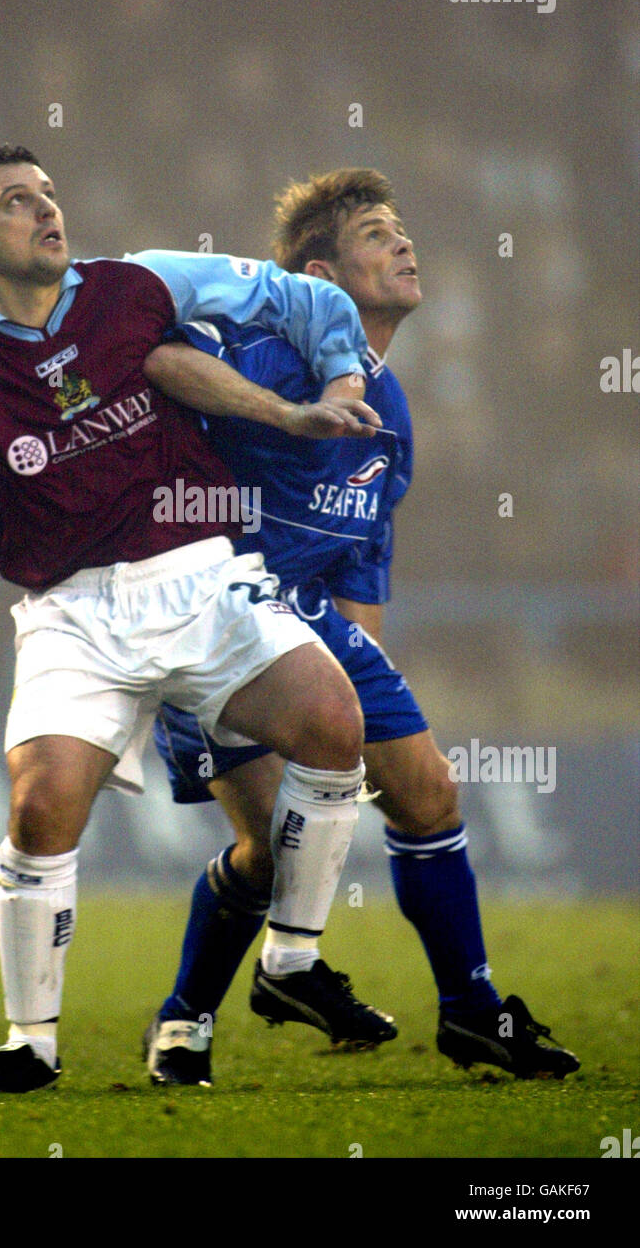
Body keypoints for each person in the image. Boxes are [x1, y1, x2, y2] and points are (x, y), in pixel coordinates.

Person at [0, 144, 400, 1096]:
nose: (44, 209)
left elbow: (308, 300)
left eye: (47, 192)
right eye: (13, 201)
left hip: (200, 576)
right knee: (40, 810)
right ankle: (30, 1044)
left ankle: (291, 960)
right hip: (74, 615)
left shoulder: (140, 285)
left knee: (333, 723)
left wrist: (338, 386)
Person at [141, 169, 580, 1086]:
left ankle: (469, 1011)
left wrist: (372, 692)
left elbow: (358, 560)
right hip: (213, 620)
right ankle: (191, 1016)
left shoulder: (395, 412)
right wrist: (274, 416)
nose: (405, 246)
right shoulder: (266, 349)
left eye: (402, 231)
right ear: (320, 273)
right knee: (266, 857)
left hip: (315, 636)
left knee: (427, 796)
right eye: (378, 235)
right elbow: (158, 359)